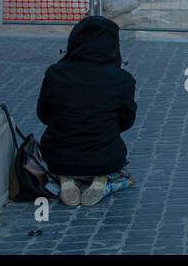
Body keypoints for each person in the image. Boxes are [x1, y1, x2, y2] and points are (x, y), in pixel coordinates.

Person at [37, 15, 137, 206]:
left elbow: (43, 115)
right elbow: (127, 121)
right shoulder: (123, 79)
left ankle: (65, 178)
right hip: (106, 156)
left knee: (64, 160)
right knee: (117, 165)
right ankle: (101, 180)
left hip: (58, 155)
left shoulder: (55, 73)